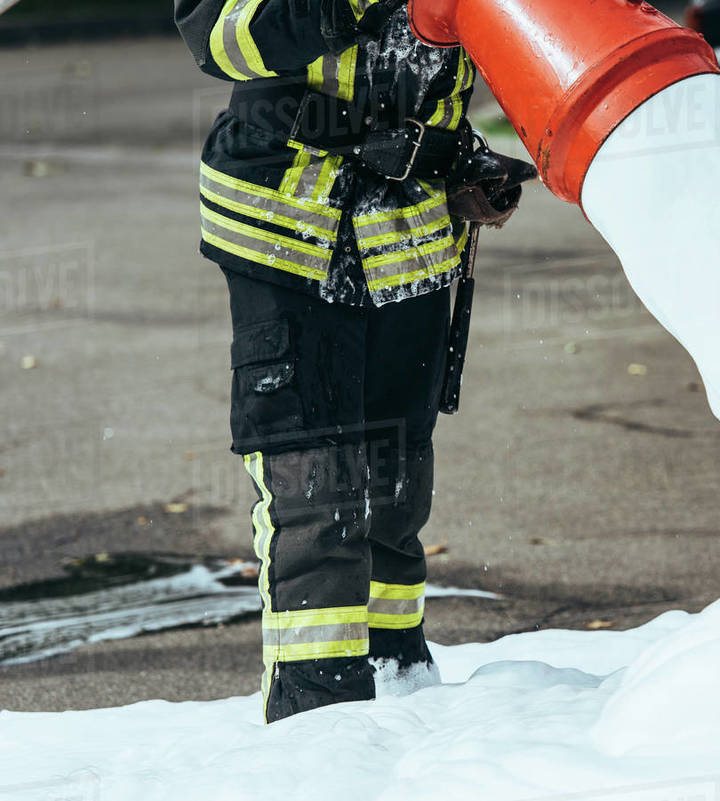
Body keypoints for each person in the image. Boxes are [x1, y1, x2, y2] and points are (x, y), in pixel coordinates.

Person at [174, 0, 532, 722]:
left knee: (395, 483)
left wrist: (454, 155)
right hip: (289, 222)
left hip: (410, 231)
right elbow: (217, 36)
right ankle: (321, 727)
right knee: (317, 485)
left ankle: (398, 687)